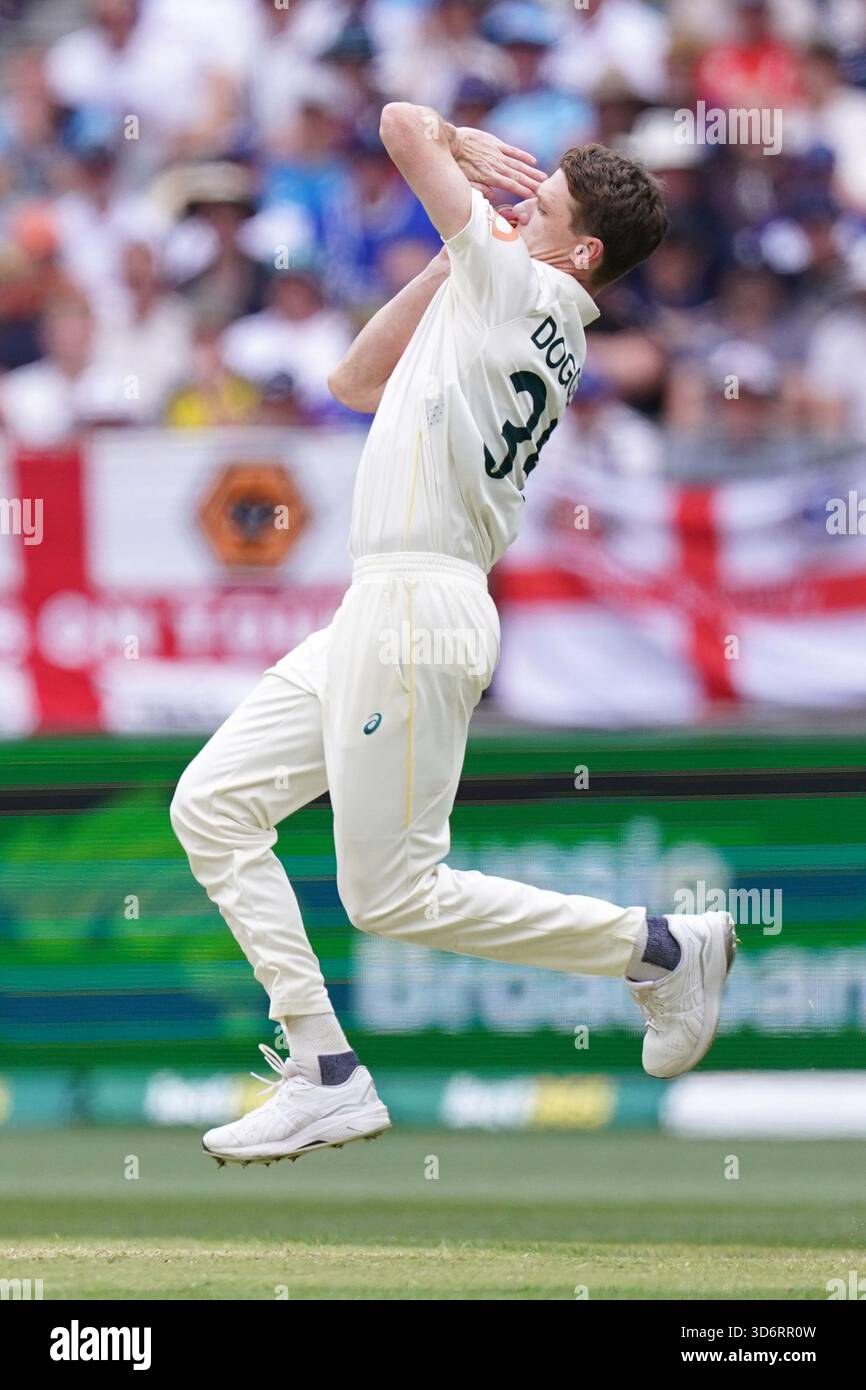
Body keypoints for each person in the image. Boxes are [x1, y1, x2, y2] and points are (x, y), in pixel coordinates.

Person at [171, 105, 736, 1166]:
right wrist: (459, 240)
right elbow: (350, 382)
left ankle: (659, 946)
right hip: (380, 602)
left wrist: (458, 150)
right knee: (211, 804)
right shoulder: (501, 289)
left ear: (582, 251)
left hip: (420, 604)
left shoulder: (524, 287)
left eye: (544, 204)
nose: (520, 205)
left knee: (390, 893)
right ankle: (323, 1068)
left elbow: (392, 125)